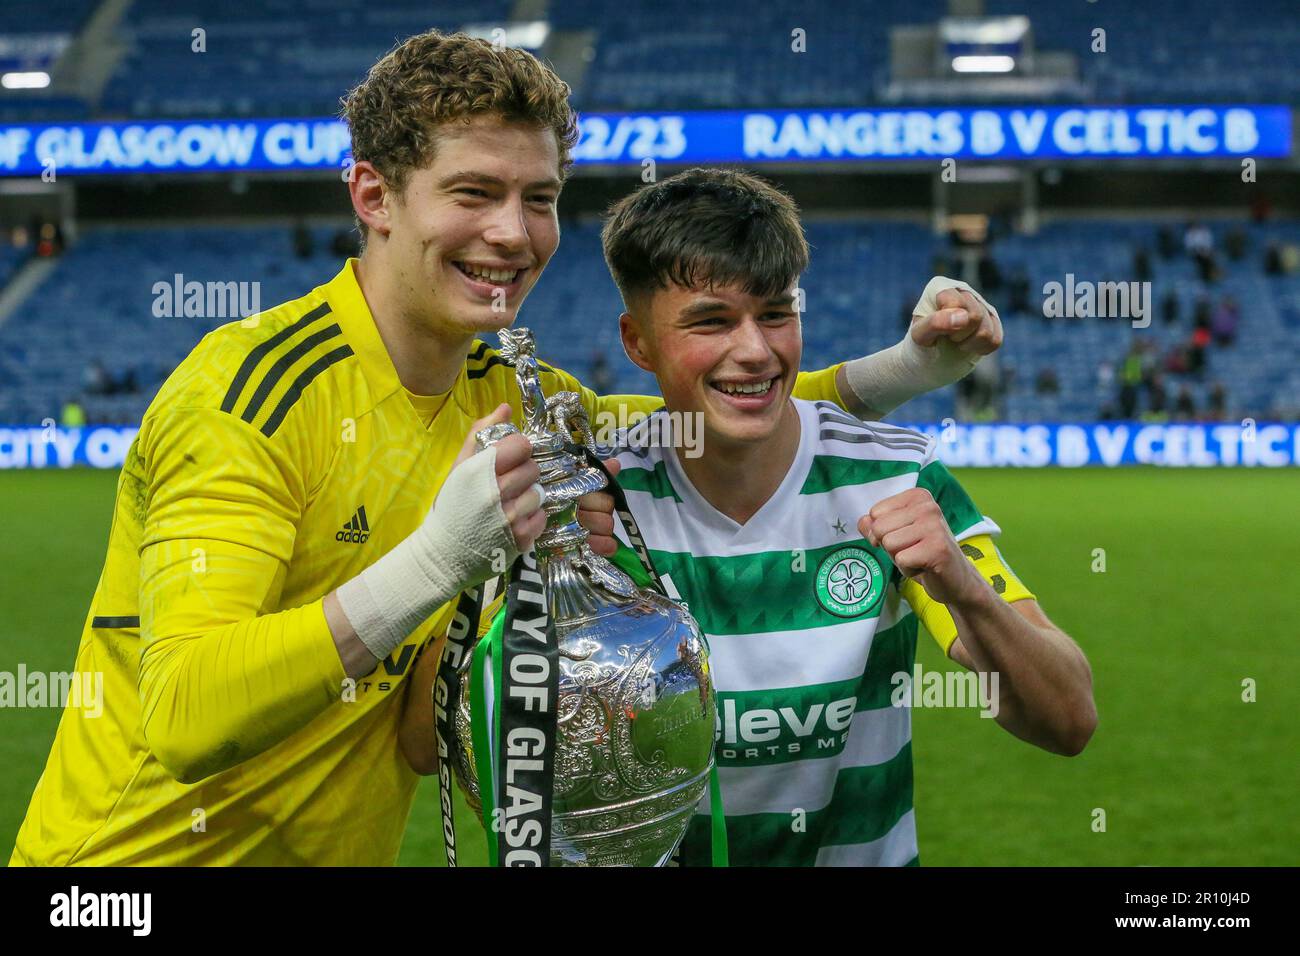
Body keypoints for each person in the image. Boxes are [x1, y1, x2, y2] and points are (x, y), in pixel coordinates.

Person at [11, 31, 1002, 867]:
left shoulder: (505, 388)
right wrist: (439, 562)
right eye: (474, 193)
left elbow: (701, 404)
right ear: (373, 195)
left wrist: (904, 366)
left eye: (539, 197)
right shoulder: (250, 394)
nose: (513, 233)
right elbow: (184, 711)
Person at [601, 168, 1091, 865]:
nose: (756, 351)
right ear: (637, 341)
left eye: (775, 313)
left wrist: (963, 586)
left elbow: (1068, 719)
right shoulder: (599, 503)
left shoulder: (893, 476)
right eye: (712, 320)